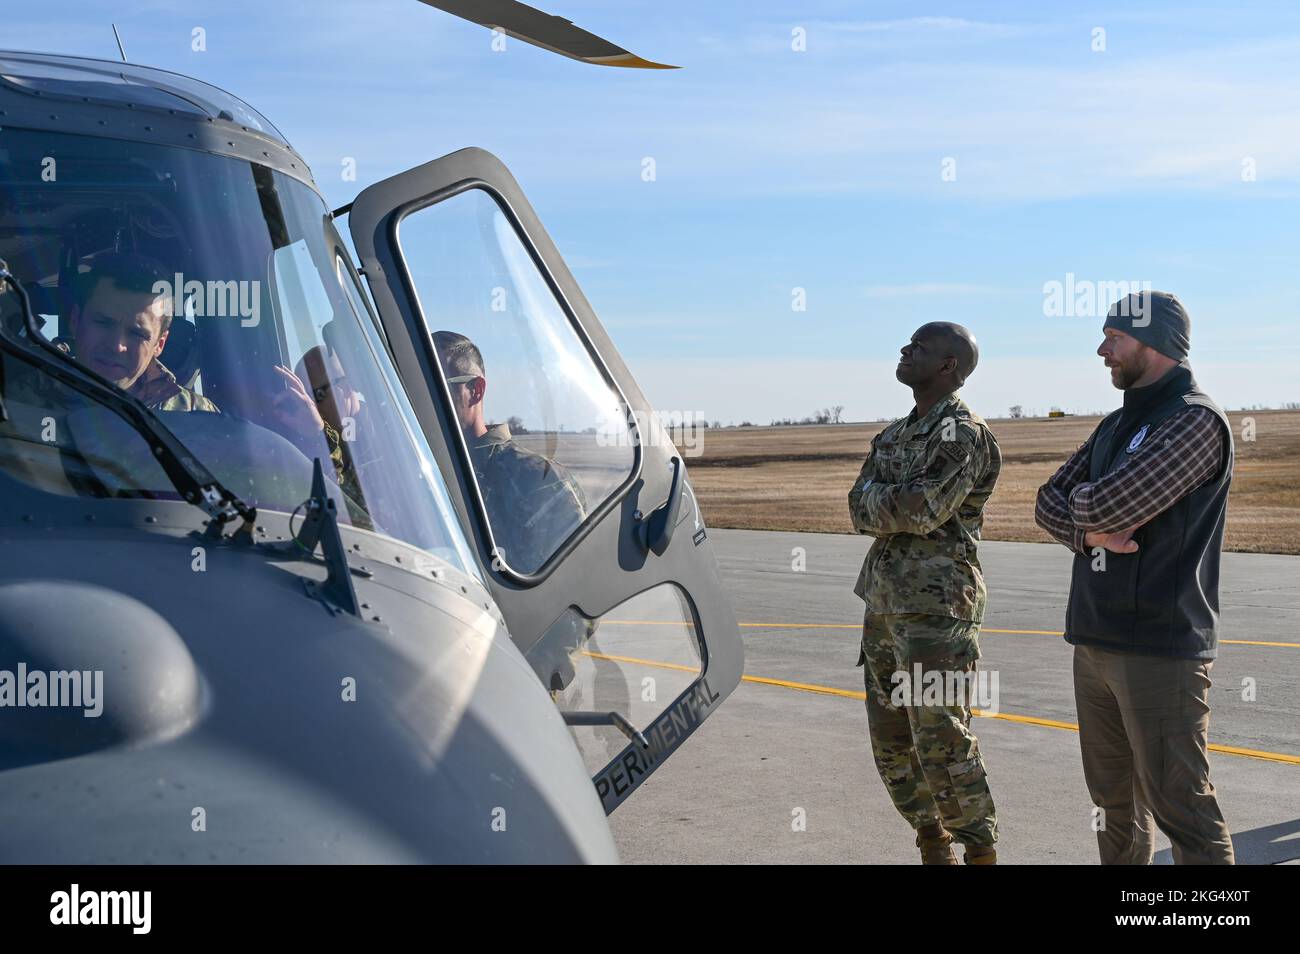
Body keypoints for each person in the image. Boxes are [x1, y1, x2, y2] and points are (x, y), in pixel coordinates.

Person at [1034, 291, 1235, 865]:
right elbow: (1046, 502)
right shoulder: (1119, 423)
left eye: (1114, 337)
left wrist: (1089, 518)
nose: (1102, 350)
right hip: (1095, 640)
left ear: (1158, 343)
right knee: (1113, 806)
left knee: (1182, 808)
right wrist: (1089, 533)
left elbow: (1110, 507)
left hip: (1159, 648)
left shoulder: (1194, 421)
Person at [847, 321, 1001, 865]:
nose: (905, 349)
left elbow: (924, 508)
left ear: (948, 366)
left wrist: (884, 501)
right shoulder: (893, 434)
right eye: (907, 342)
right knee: (891, 741)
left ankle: (979, 849)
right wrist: (891, 503)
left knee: (941, 738)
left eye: (920, 346)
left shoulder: (963, 433)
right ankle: (933, 844)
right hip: (886, 602)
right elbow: (855, 507)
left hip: (938, 608)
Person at [432, 330, 586, 575]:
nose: (426, 399)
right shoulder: (421, 472)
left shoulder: (541, 480)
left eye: (438, 386)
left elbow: (575, 578)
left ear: (476, 390)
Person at [64, 252, 216, 412]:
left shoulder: (199, 417)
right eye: (103, 323)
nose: (116, 345)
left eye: (137, 334)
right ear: (75, 320)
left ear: (160, 344)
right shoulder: (35, 395)